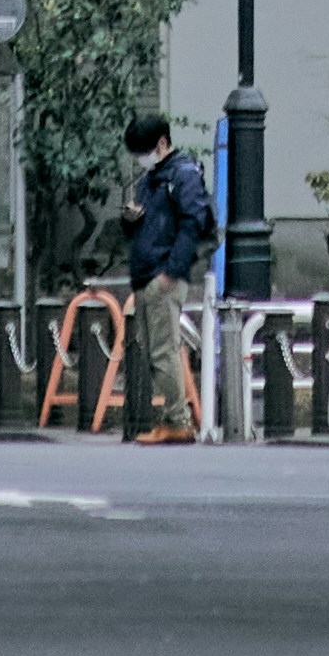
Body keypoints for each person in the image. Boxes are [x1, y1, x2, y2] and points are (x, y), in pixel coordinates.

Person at [121, 114, 220, 444]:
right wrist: (131, 219)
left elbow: (192, 224)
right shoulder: (152, 178)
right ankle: (172, 419)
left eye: (143, 151)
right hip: (148, 273)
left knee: (163, 351)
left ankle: (178, 420)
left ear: (162, 143)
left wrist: (172, 272)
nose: (140, 159)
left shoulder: (183, 174)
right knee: (153, 350)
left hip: (163, 274)